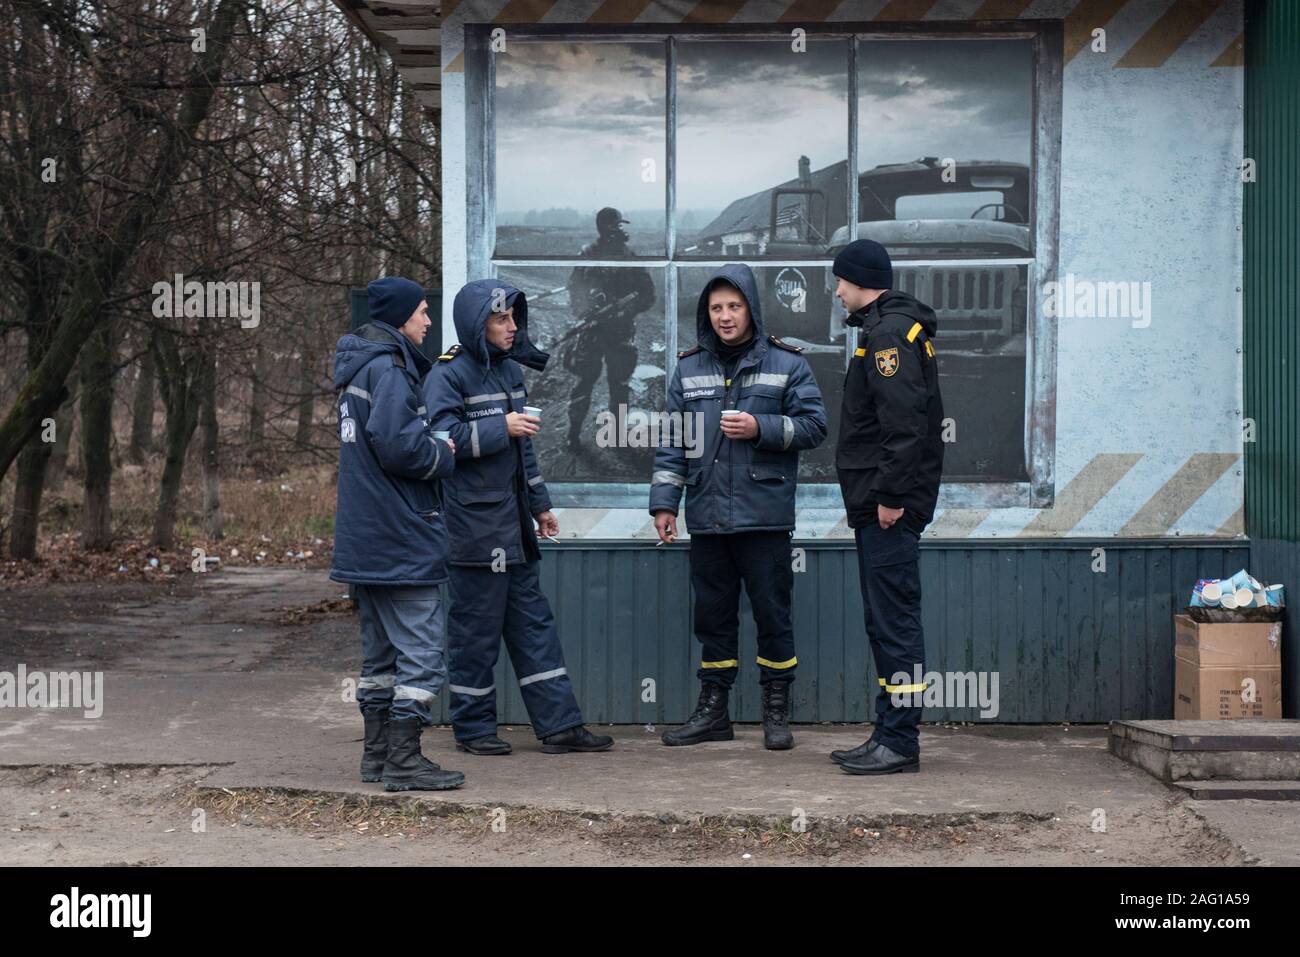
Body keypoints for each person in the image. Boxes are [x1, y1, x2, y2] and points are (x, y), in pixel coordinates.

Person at [423, 278, 615, 756]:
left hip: (514, 530)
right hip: (473, 533)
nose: (512, 327)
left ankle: (561, 727)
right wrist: (499, 426)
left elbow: (523, 448)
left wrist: (540, 505)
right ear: (477, 324)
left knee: (534, 628)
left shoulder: (508, 371)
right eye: (501, 319)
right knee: (475, 635)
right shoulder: (446, 376)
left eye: (513, 317)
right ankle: (473, 730)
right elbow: (439, 445)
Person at [650, 264, 827, 750]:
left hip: (764, 516)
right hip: (707, 516)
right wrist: (664, 504)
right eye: (716, 308)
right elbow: (672, 441)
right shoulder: (688, 368)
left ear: (752, 309)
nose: (725, 316)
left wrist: (760, 428)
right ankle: (714, 712)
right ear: (706, 313)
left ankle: (776, 710)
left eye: (734, 306)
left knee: (773, 615)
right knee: (713, 617)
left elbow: (814, 427)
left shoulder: (788, 363)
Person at [330, 277, 464, 792]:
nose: (428, 321)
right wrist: (442, 454)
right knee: (423, 656)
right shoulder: (389, 369)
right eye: (423, 312)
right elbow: (399, 446)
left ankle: (378, 758)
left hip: (365, 538)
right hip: (401, 535)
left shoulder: (359, 368)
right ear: (401, 316)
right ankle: (405, 761)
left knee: (381, 657)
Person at [829, 239, 945, 775]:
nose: (837, 291)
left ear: (859, 281)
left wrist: (892, 497)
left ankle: (899, 740)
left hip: (887, 506)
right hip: (878, 501)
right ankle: (888, 732)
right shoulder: (885, 328)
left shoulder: (889, 335)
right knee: (884, 620)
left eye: (840, 281)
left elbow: (904, 423)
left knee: (894, 622)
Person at [563, 207, 656, 450]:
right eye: (615, 225)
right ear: (603, 227)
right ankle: (573, 433)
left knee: (620, 385)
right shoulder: (587, 254)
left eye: (620, 225)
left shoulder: (630, 256)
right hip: (592, 331)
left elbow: (648, 295)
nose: (619, 229)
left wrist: (626, 311)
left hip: (620, 331)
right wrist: (585, 313)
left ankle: (617, 436)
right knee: (584, 382)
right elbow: (574, 289)